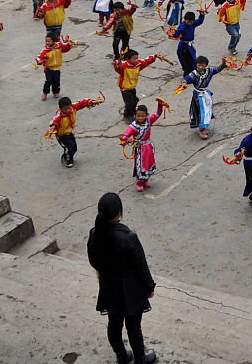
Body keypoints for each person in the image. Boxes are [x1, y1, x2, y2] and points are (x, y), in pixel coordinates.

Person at [86, 192, 158, 364]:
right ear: (119, 212)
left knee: (114, 324)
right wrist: (150, 287)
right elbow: (141, 265)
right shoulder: (128, 237)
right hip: (130, 291)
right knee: (133, 327)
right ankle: (140, 359)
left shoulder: (95, 234)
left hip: (109, 288)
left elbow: (93, 260)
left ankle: (121, 356)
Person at [120, 101, 165, 191]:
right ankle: (139, 183)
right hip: (140, 149)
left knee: (148, 164)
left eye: (142, 116)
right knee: (140, 166)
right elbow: (124, 137)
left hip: (148, 147)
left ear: (146, 115)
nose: (140, 118)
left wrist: (160, 104)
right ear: (135, 115)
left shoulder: (149, 120)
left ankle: (146, 180)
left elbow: (158, 114)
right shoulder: (133, 126)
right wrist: (128, 139)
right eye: (138, 116)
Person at [47, 96, 101, 167]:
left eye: (69, 108)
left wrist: (92, 102)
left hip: (69, 132)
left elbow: (82, 103)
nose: (67, 110)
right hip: (61, 136)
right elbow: (54, 122)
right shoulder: (59, 115)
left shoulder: (73, 107)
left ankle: (66, 156)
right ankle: (67, 160)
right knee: (69, 148)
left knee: (74, 148)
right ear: (60, 108)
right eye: (65, 109)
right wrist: (52, 127)